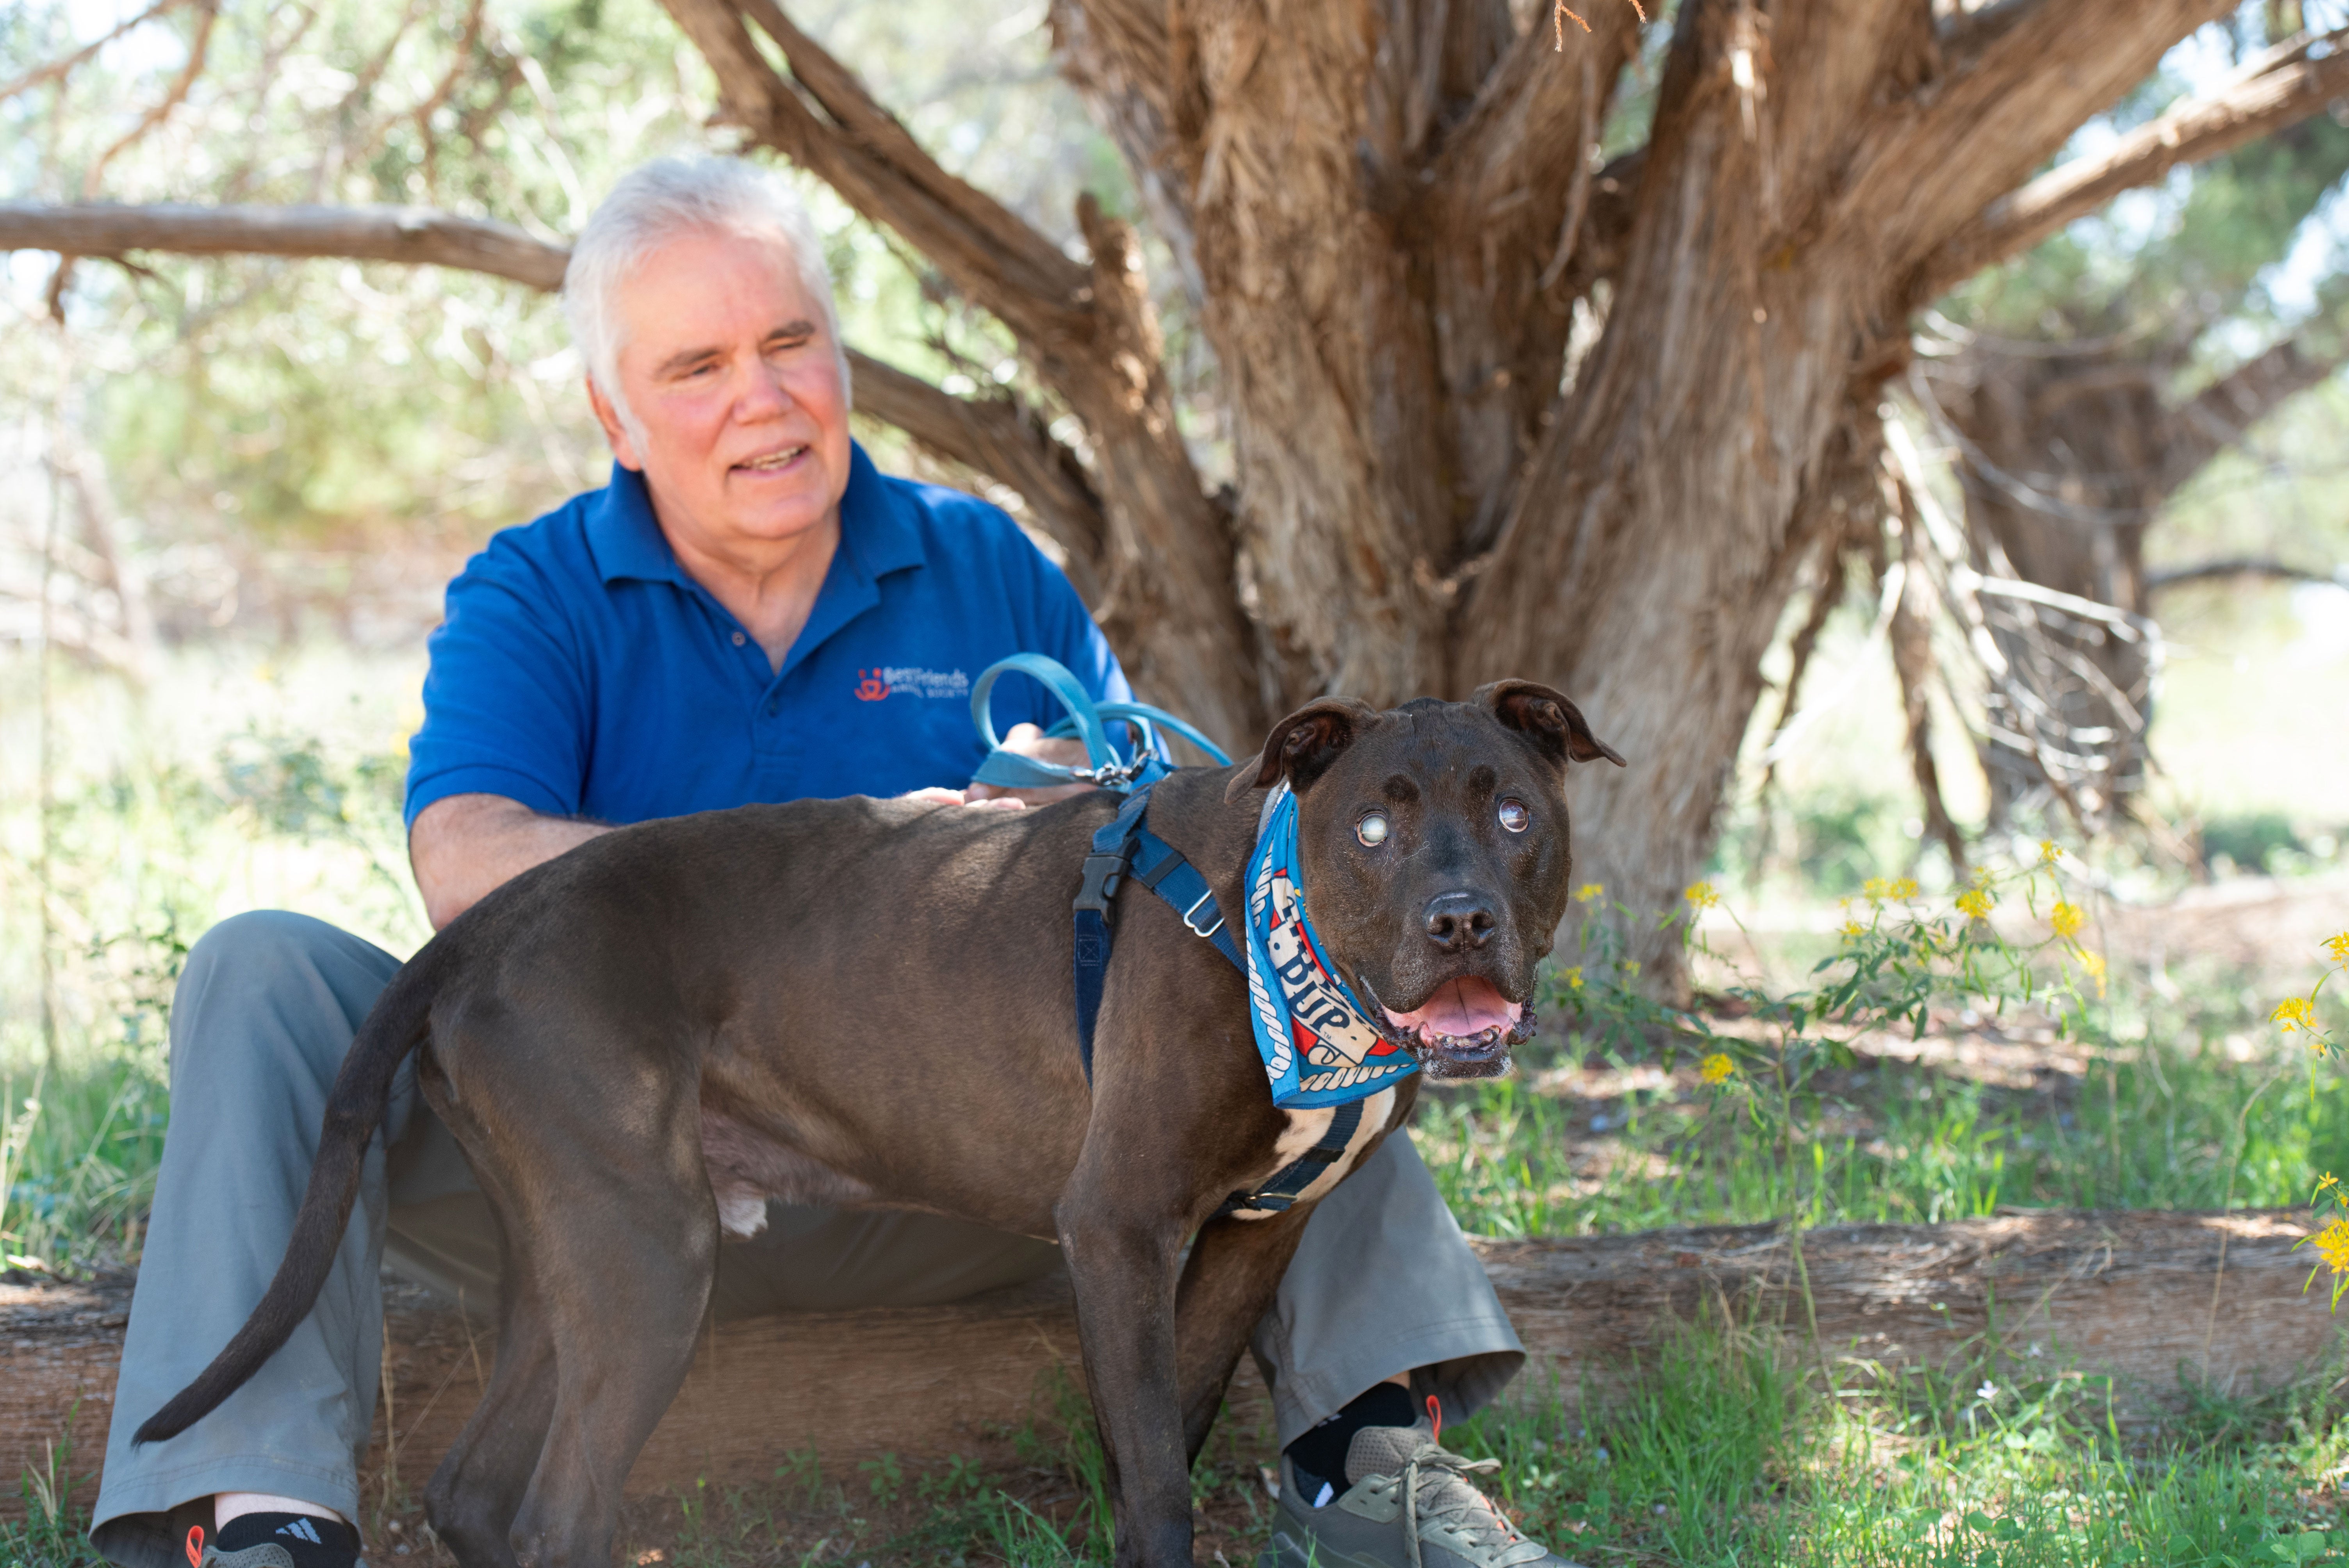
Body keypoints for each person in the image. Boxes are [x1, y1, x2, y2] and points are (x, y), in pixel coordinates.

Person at [91, 156, 1578, 1568]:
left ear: (844, 359)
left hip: (959, 1160)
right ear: (616, 415)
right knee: (264, 968)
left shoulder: (979, 561)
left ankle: (1380, 1459)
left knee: (1302, 965)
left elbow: (1155, 841)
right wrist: (808, 877)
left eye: (790, 341)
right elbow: (472, 865)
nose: (765, 398)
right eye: (697, 367)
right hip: (595, 1146)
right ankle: (259, 1509)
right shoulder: (538, 588)